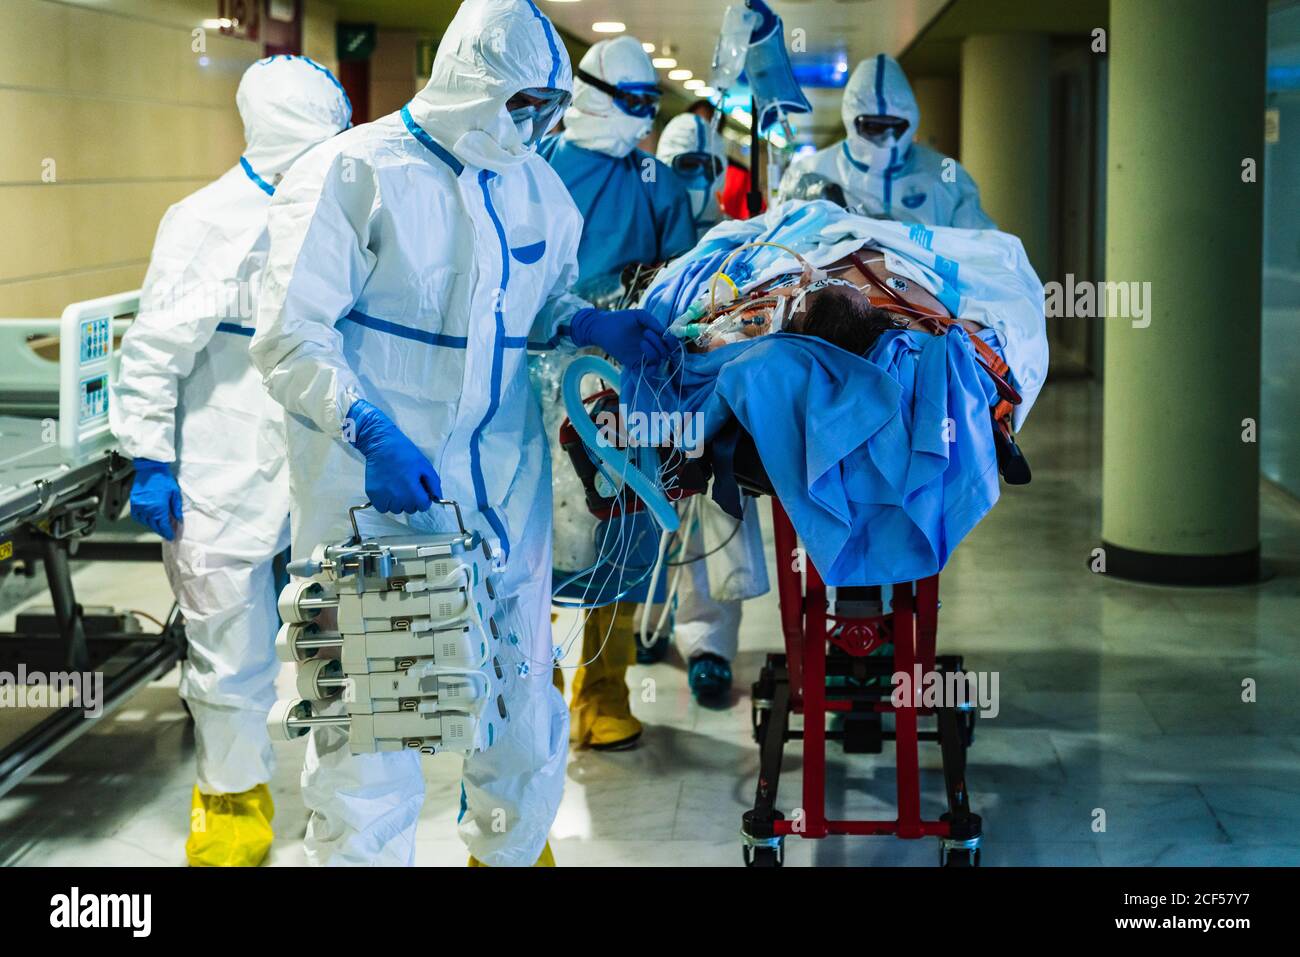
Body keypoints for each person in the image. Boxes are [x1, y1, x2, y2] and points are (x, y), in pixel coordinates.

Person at [249, 0, 670, 867]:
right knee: (374, 723)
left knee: (522, 699)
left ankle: (509, 854)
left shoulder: (539, 189)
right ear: (471, 83)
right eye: (522, 104)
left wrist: (587, 323)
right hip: (374, 499)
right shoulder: (351, 173)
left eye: (549, 108)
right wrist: (370, 429)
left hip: (502, 497)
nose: (536, 126)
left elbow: (539, 303)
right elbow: (292, 336)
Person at [110, 55, 351, 867]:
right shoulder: (205, 220)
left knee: (338, 645)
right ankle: (231, 804)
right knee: (226, 648)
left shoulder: (342, 210)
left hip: (322, 461)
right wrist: (149, 455)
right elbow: (150, 353)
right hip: (221, 468)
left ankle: (341, 810)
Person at [536, 36, 697, 750]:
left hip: (627, 390)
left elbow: (684, 282)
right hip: (534, 389)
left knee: (624, 530)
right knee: (534, 537)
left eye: (650, 106)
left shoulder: (657, 181)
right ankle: (529, 692)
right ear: (593, 94)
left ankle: (603, 693)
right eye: (632, 104)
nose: (641, 119)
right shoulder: (535, 168)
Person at [653, 109, 769, 703]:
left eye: (706, 166)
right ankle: (648, 621)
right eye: (684, 166)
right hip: (644, 392)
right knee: (643, 514)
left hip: (712, 400)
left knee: (713, 517)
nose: (696, 178)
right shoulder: (650, 227)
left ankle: (708, 645)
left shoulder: (738, 240)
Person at [779, 54, 994, 229]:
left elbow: (981, 251)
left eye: (896, 127)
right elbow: (781, 244)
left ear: (911, 122)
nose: (888, 140)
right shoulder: (808, 173)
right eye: (874, 127)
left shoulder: (947, 176)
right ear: (851, 120)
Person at [657, 110, 728, 240]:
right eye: (689, 165)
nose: (700, 178)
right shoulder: (641, 236)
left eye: (710, 167)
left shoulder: (732, 238)